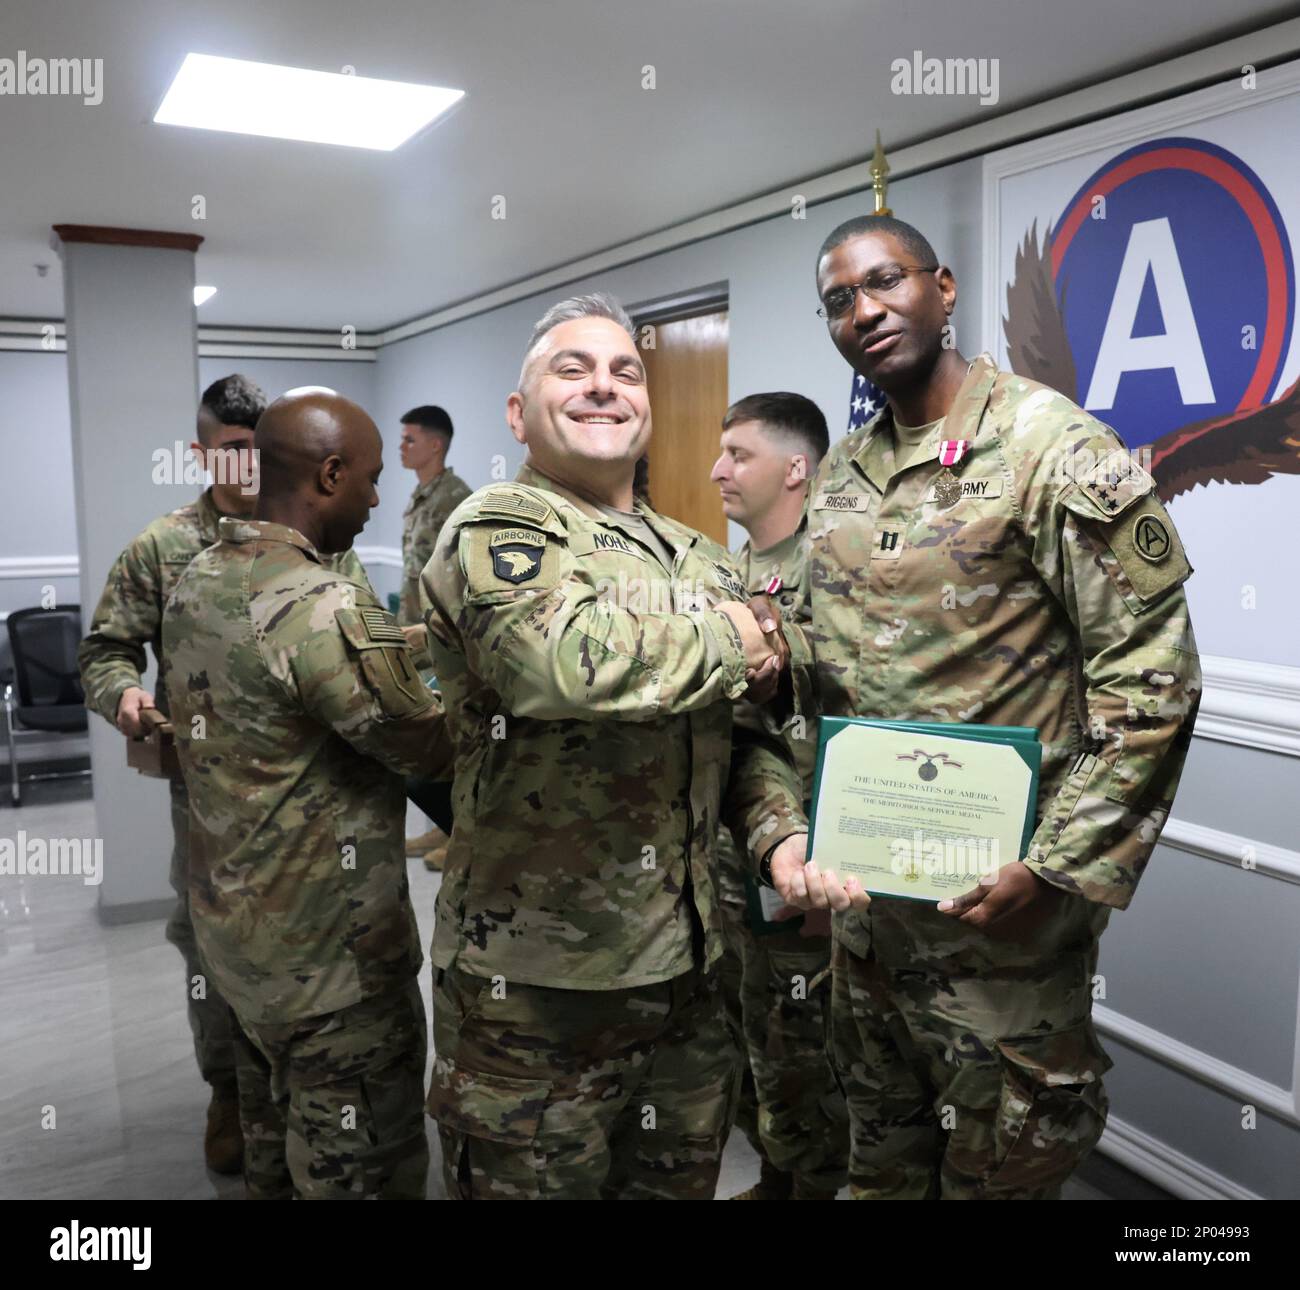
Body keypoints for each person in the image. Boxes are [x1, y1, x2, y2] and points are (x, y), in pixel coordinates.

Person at [768, 214, 1202, 1199]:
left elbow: (1152, 679)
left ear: (945, 287)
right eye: (839, 300)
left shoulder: (1053, 448)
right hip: (866, 923)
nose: (864, 310)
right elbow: (822, 670)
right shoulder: (841, 476)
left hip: (997, 933)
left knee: (1000, 1171)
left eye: (885, 282)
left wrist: (1056, 867)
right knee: (880, 1166)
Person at [421, 292, 805, 1200]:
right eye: (573, 370)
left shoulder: (702, 557)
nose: (604, 388)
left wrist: (778, 836)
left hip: (690, 976)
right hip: (535, 989)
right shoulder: (499, 527)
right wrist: (735, 642)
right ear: (519, 414)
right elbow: (554, 664)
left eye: (625, 373)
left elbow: (742, 736)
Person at [162, 389, 452, 1199]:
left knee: (274, 1156)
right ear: (328, 475)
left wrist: (423, 637)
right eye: (365, 479)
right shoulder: (321, 603)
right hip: (334, 971)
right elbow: (429, 742)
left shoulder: (201, 578)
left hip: (243, 948)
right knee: (364, 1168)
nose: (374, 497)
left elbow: (299, 673)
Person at [78, 375, 333, 1175]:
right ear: (200, 454)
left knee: (319, 944)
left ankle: (316, 1097)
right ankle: (228, 1090)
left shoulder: (318, 536)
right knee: (212, 952)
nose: (250, 466)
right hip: (214, 806)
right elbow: (104, 650)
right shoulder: (165, 547)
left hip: (317, 800)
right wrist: (124, 694)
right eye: (232, 451)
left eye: (263, 450)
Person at [709, 392, 848, 1200]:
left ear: (796, 468)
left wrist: (832, 865)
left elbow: (859, 727)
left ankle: (810, 1185)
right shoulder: (729, 572)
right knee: (750, 1033)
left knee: (805, 1046)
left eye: (738, 454)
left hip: (805, 859)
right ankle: (775, 1177)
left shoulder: (834, 572)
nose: (718, 469)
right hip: (736, 850)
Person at [398, 405, 471, 870]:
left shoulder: (455, 499)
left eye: (409, 439)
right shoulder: (421, 495)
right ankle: (438, 829)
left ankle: (462, 832)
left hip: (442, 631)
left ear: (435, 445)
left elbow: (460, 573)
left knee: (453, 736)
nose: (402, 446)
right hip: (415, 625)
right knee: (428, 733)